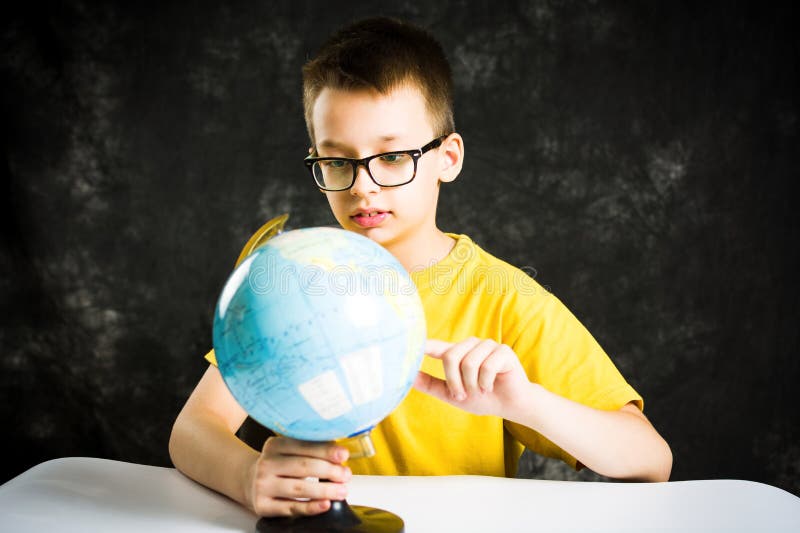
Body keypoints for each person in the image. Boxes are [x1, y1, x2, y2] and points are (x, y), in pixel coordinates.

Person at [169, 16, 672, 518]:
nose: (363, 186)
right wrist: (247, 475)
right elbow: (193, 429)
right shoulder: (294, 282)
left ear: (447, 158)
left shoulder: (503, 299)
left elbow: (651, 459)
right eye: (338, 161)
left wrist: (526, 403)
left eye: (392, 158)